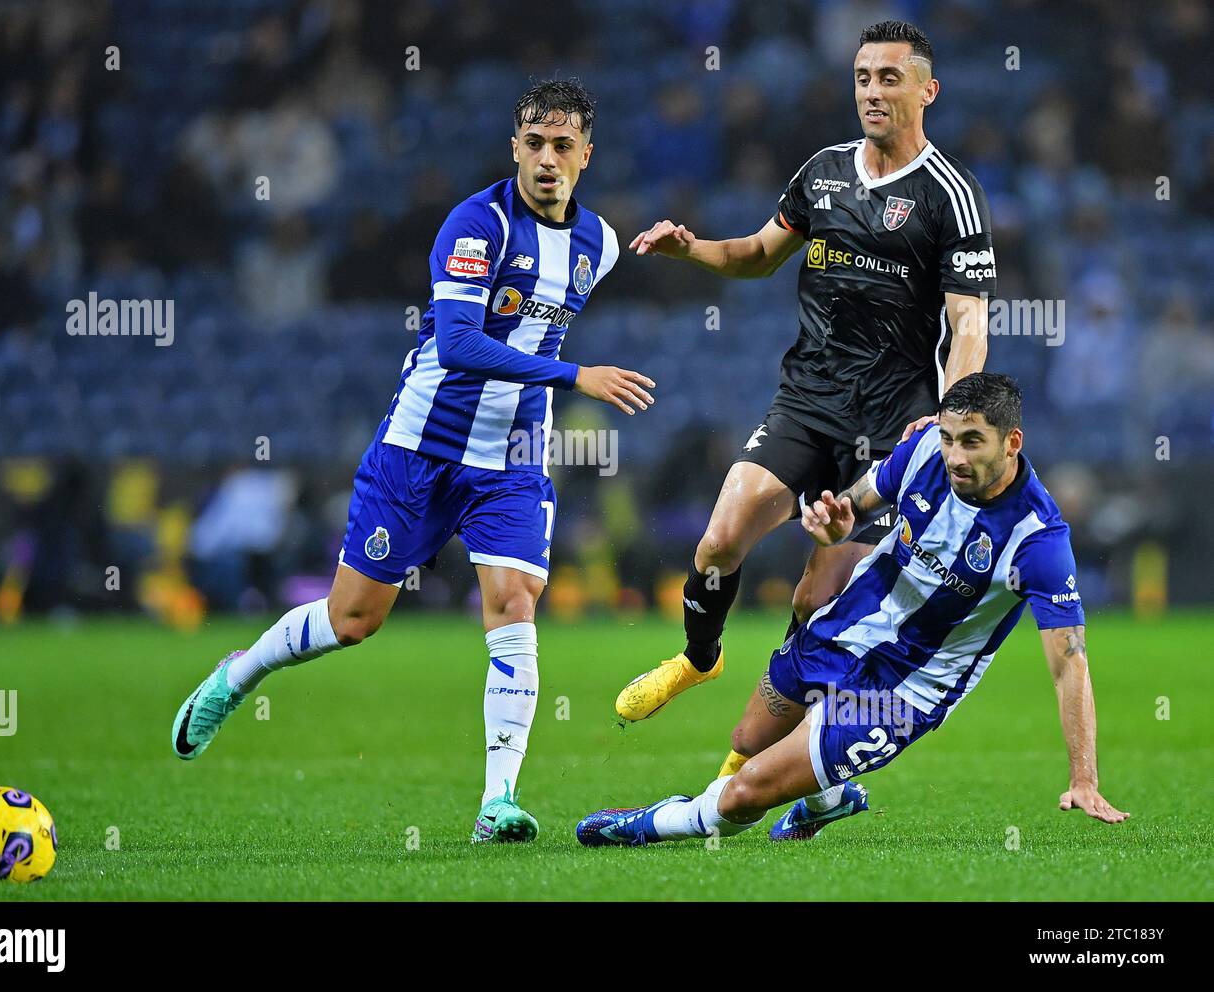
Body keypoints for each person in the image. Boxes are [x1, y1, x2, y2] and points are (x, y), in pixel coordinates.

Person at [172, 78, 656, 844]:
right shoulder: (475, 226)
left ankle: (497, 802)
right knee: (352, 620)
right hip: (419, 449)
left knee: (514, 604)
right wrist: (577, 377)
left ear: (586, 155)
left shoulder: (597, 243)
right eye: (534, 142)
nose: (547, 159)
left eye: (563, 145)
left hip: (514, 457)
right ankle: (242, 672)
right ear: (515, 147)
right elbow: (460, 347)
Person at [615, 22, 994, 768]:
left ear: (928, 89)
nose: (873, 92)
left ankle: (756, 761)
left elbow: (969, 324)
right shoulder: (822, 173)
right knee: (721, 537)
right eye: (862, 77)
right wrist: (693, 248)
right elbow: (759, 253)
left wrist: (950, 428)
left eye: (890, 77)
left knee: (819, 600)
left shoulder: (951, 195)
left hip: (892, 427)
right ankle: (699, 658)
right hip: (807, 403)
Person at [579, 373, 1129, 847]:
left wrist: (1084, 776)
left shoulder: (1039, 540)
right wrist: (837, 524)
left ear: (1012, 442)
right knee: (747, 742)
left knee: (745, 793)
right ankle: (831, 796)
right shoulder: (921, 454)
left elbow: (1069, 664)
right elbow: (856, 504)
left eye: (972, 442)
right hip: (845, 628)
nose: (956, 456)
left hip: (902, 691)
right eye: (949, 438)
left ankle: (646, 824)